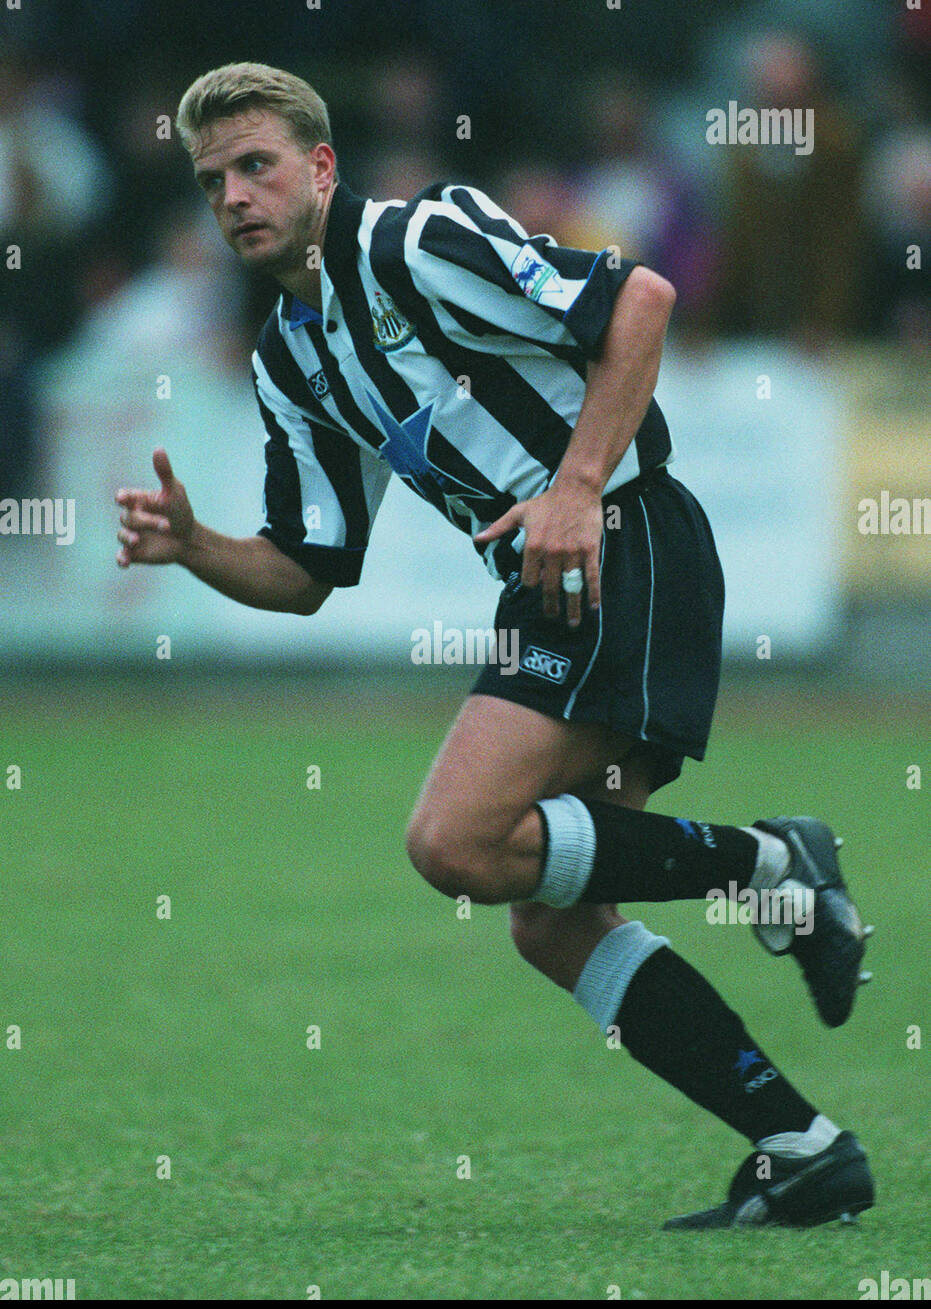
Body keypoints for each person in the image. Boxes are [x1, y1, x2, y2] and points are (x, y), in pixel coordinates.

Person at [115, 63, 874, 1229]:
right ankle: (802, 1145)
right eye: (213, 179)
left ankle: (772, 864)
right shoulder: (288, 356)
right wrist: (194, 545)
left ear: (321, 167)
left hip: (626, 536)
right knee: (547, 913)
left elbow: (641, 302)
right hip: (555, 579)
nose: (234, 196)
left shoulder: (418, 241)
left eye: (257, 164)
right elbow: (308, 570)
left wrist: (572, 490)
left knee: (455, 838)